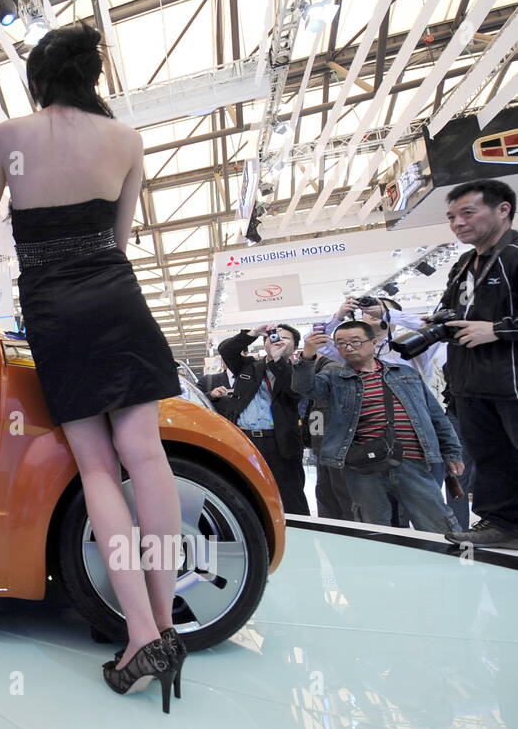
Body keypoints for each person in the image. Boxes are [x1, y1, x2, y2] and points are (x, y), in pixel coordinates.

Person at [0, 22, 183, 711]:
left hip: (57, 310)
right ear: (91, 76)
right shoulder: (127, 140)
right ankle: (163, 621)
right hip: (118, 299)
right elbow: (120, 240)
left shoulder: (11, 136)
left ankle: (140, 633)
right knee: (147, 460)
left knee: (97, 468)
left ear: (38, 79)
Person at [294, 321, 463, 533]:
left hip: (413, 459)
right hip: (363, 465)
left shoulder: (404, 373)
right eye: (341, 344)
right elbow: (304, 388)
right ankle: (384, 564)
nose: (348, 347)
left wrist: (452, 452)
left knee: (438, 523)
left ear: (373, 342)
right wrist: (308, 356)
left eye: (355, 341)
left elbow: (436, 416)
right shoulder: (334, 378)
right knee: (374, 529)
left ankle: (448, 563)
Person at [437, 179, 518, 549]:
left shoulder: (515, 253)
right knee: (489, 459)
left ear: (503, 209)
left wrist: (499, 330)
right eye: (452, 217)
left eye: (468, 213)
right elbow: (450, 312)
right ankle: (500, 524)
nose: (458, 223)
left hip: (512, 381)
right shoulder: (462, 265)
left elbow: (492, 326)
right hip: (471, 384)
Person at [216, 324, 309, 516]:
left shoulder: (300, 370)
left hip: (279, 442)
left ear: (295, 346)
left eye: (285, 338)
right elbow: (227, 350)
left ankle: (299, 533)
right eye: (272, 337)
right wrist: (253, 333)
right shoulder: (249, 366)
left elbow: (294, 392)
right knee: (245, 491)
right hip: (245, 439)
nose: (277, 340)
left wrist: (278, 360)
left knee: (289, 495)